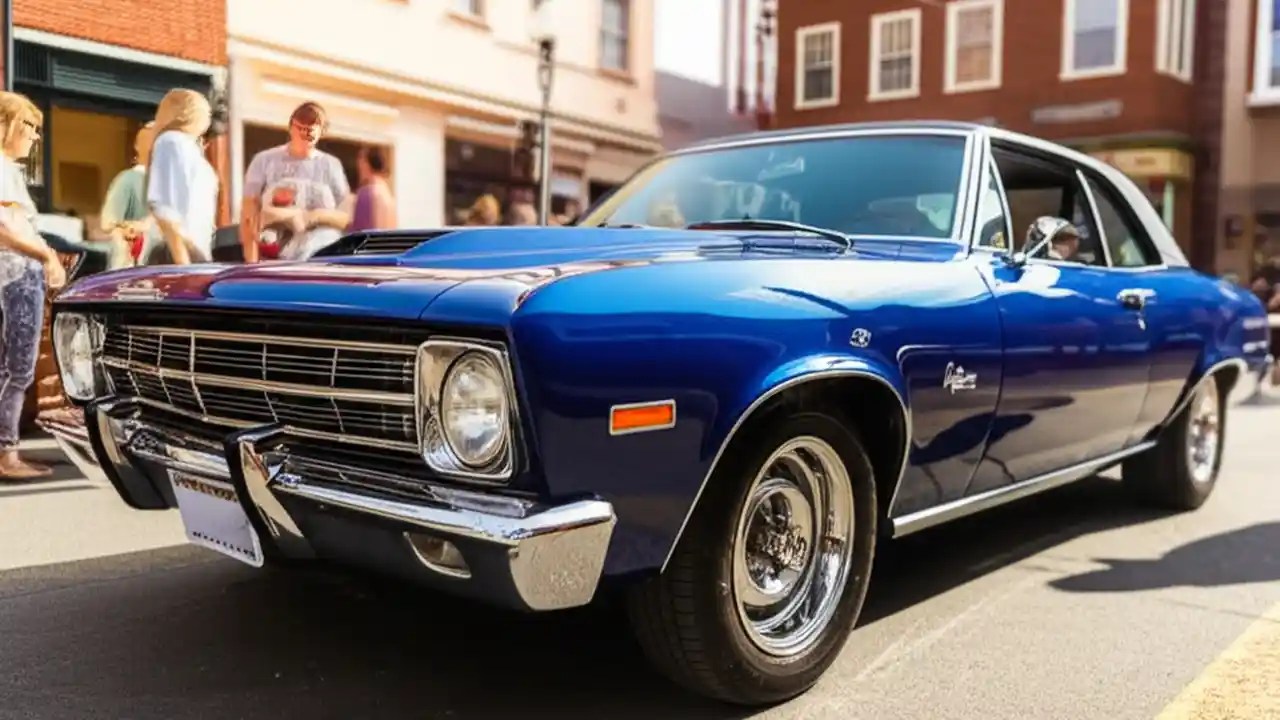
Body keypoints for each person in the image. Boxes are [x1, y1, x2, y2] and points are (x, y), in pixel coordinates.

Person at [0, 91, 65, 481]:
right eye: (30, 127)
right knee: (17, 368)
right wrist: (46, 257)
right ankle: (7, 455)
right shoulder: (3, 167)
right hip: (15, 275)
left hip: (16, 271)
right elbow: (5, 229)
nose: (35, 137)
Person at [239, 101, 351, 262]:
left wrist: (313, 217)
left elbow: (344, 218)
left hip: (321, 258)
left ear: (322, 132)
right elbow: (249, 214)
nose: (305, 133)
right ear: (291, 126)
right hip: (274, 257)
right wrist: (251, 263)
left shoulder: (331, 165)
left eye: (311, 129)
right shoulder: (265, 160)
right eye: (301, 128)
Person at [144, 88, 218, 265]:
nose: (208, 116)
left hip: (193, 254)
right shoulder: (172, 142)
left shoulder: (184, 145)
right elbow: (164, 209)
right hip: (179, 256)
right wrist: (183, 263)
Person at [99, 121, 157, 269]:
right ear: (137, 146)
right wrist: (132, 228)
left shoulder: (170, 182)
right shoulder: (128, 180)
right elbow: (108, 223)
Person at [346, 145, 396, 232]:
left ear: (365, 164)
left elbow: (359, 232)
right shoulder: (386, 192)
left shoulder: (366, 193)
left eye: (360, 161)